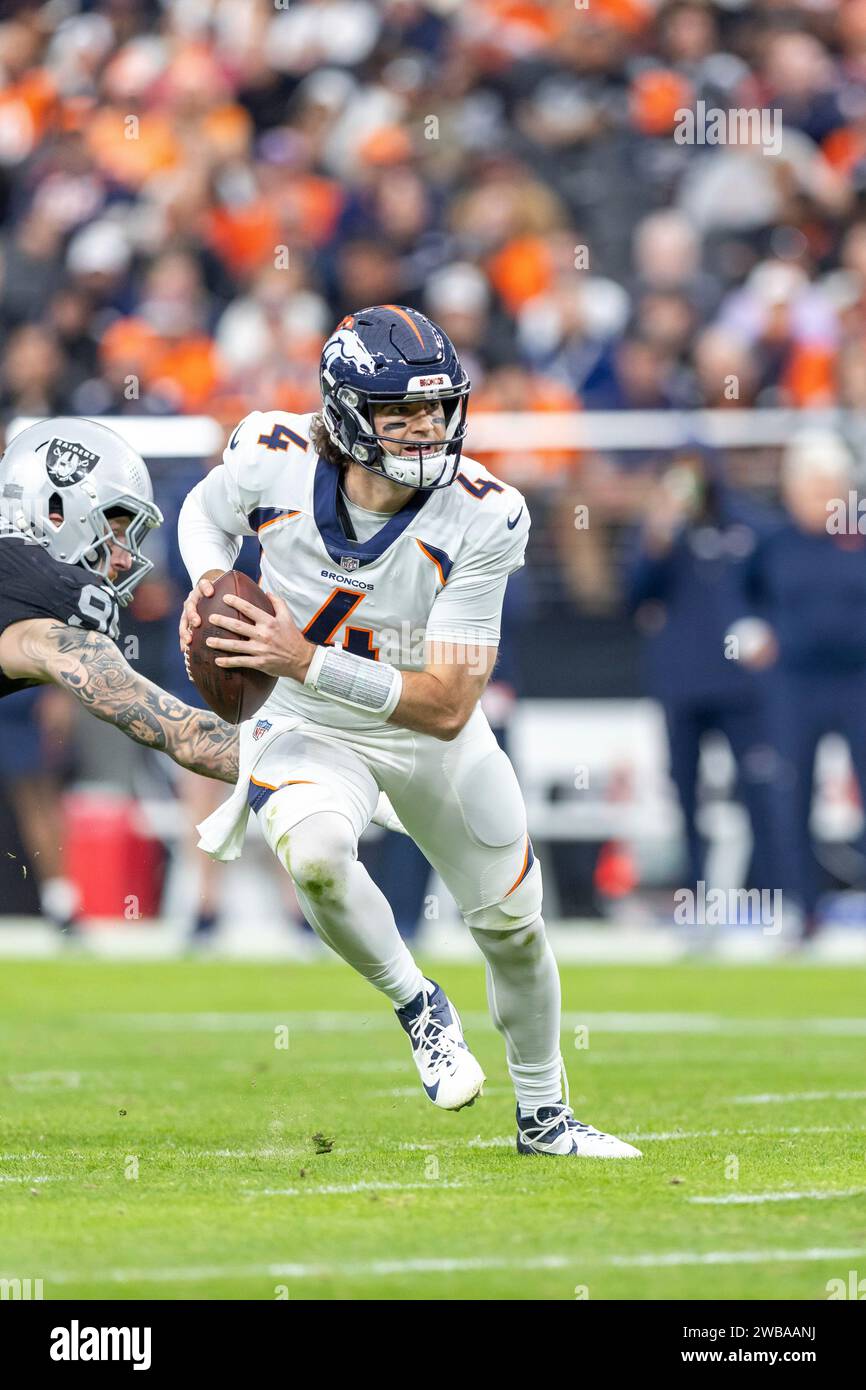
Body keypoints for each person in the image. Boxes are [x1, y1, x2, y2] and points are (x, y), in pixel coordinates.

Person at [178, 304, 640, 1158]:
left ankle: (544, 1117)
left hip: (422, 731)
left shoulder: (484, 515)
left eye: (436, 408)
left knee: (512, 927)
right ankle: (418, 1004)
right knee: (316, 860)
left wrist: (303, 655)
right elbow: (203, 517)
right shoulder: (268, 457)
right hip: (309, 722)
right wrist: (211, 586)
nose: (426, 428)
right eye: (401, 412)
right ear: (347, 413)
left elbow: (450, 703)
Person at [0, 420, 240, 834]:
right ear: (56, 517)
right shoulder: (43, 615)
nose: (126, 560)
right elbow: (187, 735)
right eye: (113, 535)